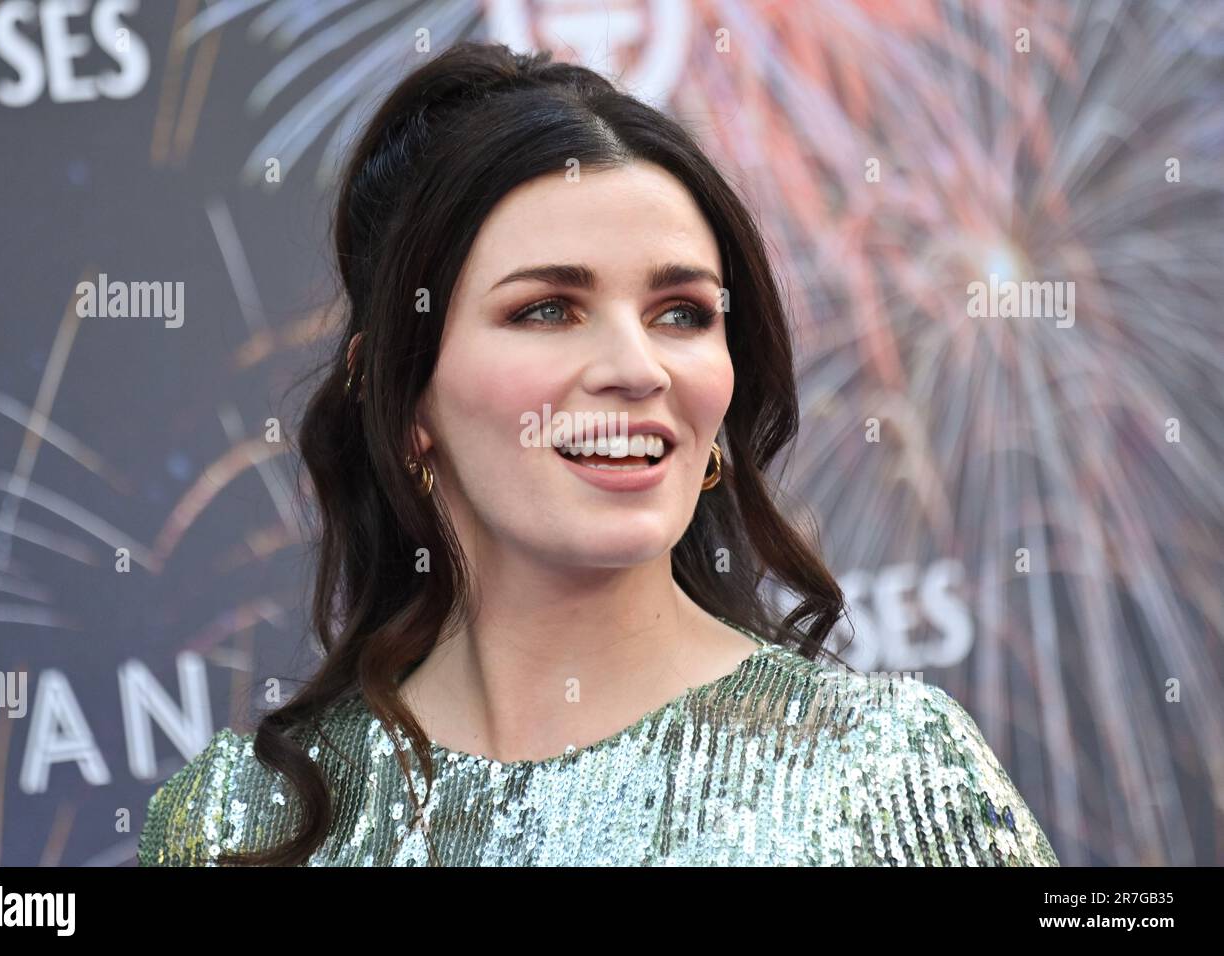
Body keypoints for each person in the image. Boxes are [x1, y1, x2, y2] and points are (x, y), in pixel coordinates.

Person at [138, 41, 1058, 867]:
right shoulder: (241, 823)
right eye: (546, 309)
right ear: (401, 393)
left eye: (683, 313)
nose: (636, 367)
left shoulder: (891, 781)